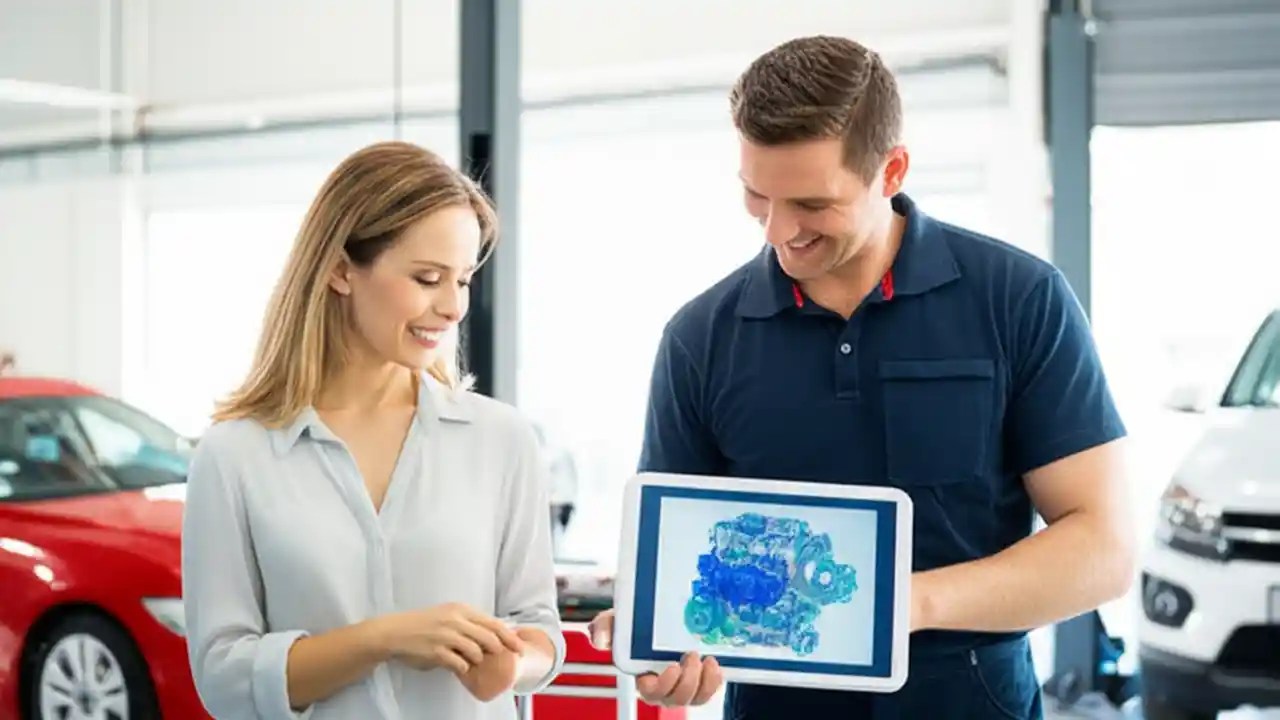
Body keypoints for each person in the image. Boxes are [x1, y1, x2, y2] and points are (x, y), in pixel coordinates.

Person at [588, 35, 1135, 719]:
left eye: (812, 205)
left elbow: (1103, 549)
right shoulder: (699, 339)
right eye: (758, 196)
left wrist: (903, 603)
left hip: (968, 700)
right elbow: (673, 566)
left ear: (893, 169)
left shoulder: (1019, 300)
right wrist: (658, 642)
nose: (779, 232)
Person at [181, 141, 565, 720]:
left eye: (462, 280)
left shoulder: (501, 440)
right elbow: (224, 678)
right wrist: (381, 639)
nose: (454, 306)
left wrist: (512, 665)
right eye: (428, 277)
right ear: (340, 269)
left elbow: (539, 629)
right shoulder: (235, 455)